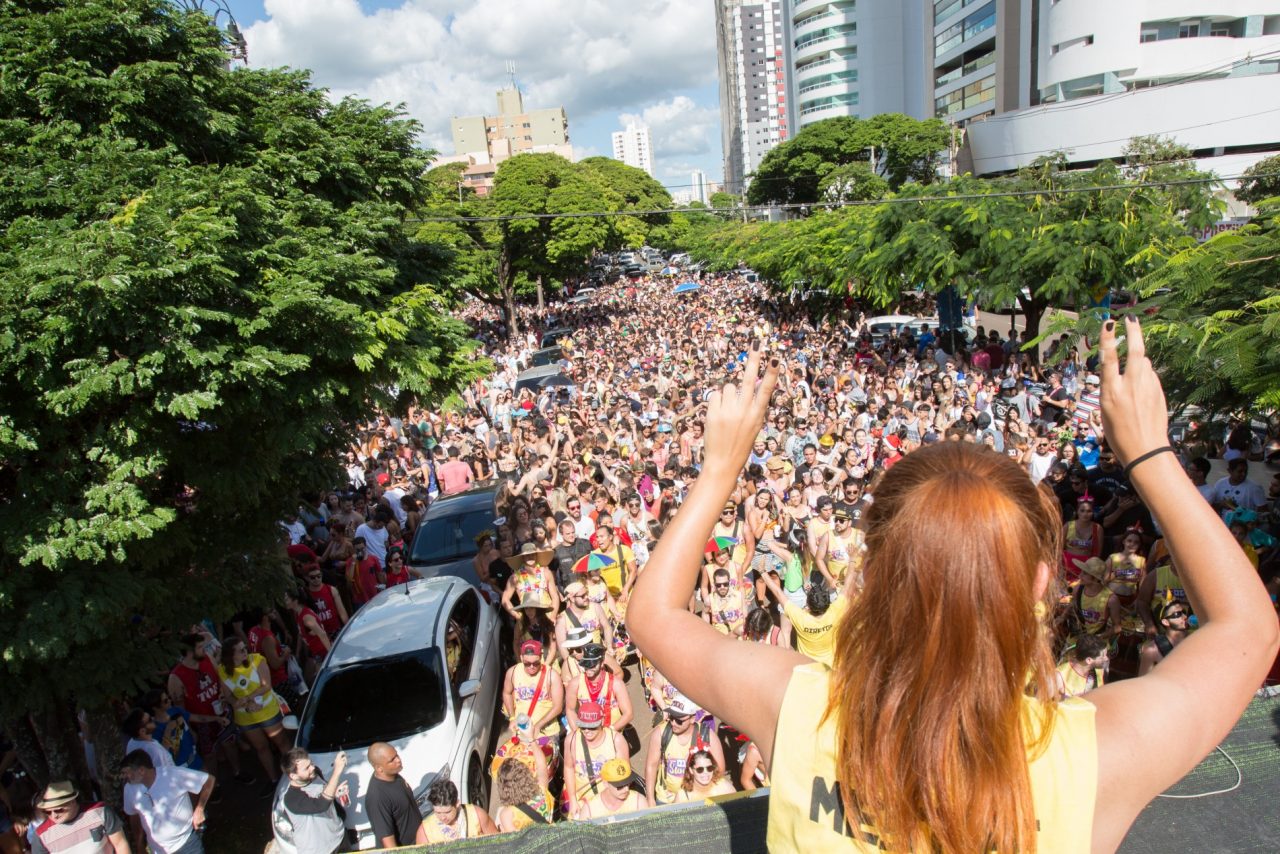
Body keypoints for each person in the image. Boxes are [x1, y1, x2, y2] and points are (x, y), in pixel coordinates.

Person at [627, 322, 1278, 851]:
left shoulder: (795, 708)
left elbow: (654, 614)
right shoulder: (1098, 754)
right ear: (1040, 586)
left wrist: (719, 472)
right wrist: (1149, 454)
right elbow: (1246, 630)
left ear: (868, 577)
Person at [166, 634, 245, 783]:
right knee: (209, 755)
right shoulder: (176, 677)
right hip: (201, 722)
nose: (204, 649)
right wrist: (190, 729)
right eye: (200, 647)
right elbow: (180, 709)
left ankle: (238, 772)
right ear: (189, 651)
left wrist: (222, 693)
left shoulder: (207, 658)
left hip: (222, 712)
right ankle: (214, 785)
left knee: (230, 743)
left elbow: (219, 677)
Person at [216, 637, 289, 785]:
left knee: (281, 742)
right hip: (245, 718)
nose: (246, 652)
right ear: (231, 655)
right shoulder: (222, 670)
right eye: (241, 650)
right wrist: (240, 703)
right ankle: (274, 780)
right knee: (261, 747)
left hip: (267, 711)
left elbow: (266, 686)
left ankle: (294, 773)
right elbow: (228, 696)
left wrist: (247, 699)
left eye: (245, 648)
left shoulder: (257, 660)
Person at [121, 749, 214, 854]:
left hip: (187, 843)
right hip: (158, 851)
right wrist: (139, 844)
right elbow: (134, 816)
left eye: (126, 773)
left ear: (141, 770)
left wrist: (199, 809)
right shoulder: (129, 789)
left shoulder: (172, 775)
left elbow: (209, 781)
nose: (123, 777)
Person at [642, 695, 723, 807]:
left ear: (692, 719)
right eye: (671, 717)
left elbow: (719, 769)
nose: (673, 723)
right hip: (666, 799)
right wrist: (650, 798)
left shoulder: (707, 735)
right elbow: (651, 765)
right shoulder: (660, 733)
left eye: (679, 720)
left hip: (696, 799)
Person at [271, 748, 347, 854]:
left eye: (311, 763)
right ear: (293, 776)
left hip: (339, 838)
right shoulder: (292, 799)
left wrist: (335, 793)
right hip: (318, 850)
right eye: (306, 768)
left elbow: (324, 794)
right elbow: (321, 805)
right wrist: (337, 771)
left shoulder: (315, 774)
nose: (312, 768)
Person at [561, 701, 628, 817]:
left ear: (602, 721)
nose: (586, 731)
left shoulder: (616, 740)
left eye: (592, 727)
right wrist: (572, 800)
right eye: (582, 726)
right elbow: (569, 768)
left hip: (608, 798)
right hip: (581, 797)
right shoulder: (572, 739)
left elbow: (623, 776)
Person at [30, 781, 130, 854]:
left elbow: (120, 844)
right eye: (47, 812)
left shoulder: (100, 812)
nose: (53, 815)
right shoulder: (41, 835)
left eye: (59, 809)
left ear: (73, 801)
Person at [363, 743, 425, 849]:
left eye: (397, 755)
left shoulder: (393, 775)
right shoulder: (377, 798)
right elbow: (388, 843)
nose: (398, 760)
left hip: (420, 842)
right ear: (379, 768)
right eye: (392, 760)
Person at [494, 747, 553, 832]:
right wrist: (532, 741)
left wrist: (502, 830)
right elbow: (542, 765)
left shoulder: (506, 815)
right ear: (526, 774)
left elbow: (515, 841)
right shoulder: (541, 789)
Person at [420, 779, 497, 843]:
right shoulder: (425, 830)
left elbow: (498, 842)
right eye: (438, 812)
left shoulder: (477, 815)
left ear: (457, 804)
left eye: (447, 812)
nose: (443, 817)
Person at [574, 759, 646, 820]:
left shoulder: (639, 802)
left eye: (628, 783)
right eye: (620, 786)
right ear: (605, 783)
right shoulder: (589, 811)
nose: (626, 789)